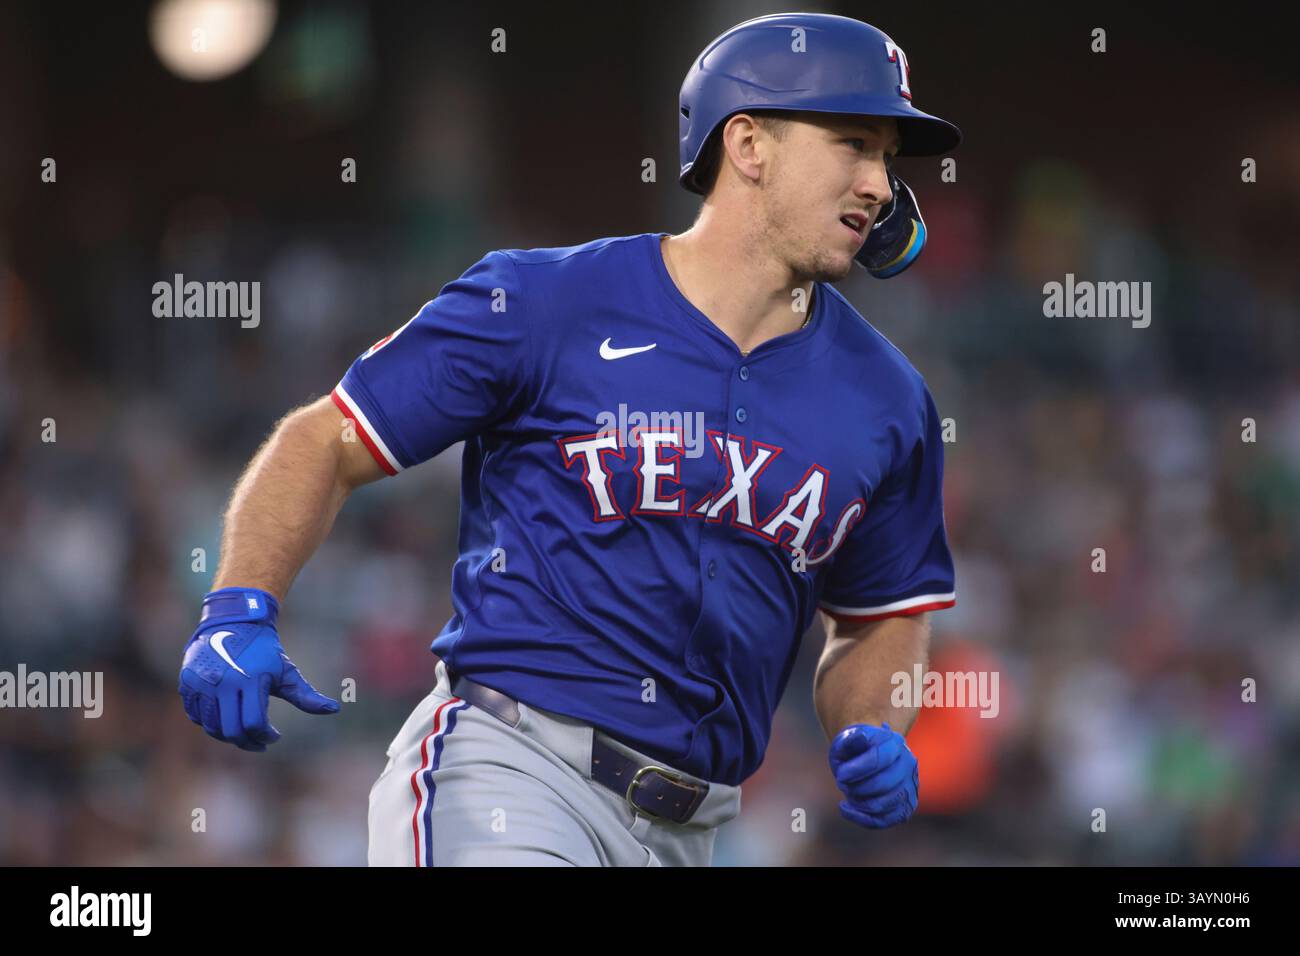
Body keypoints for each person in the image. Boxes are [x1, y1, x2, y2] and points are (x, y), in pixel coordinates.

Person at [178, 12, 960, 867]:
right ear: (748, 145)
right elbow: (327, 439)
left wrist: (874, 727)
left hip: (695, 833)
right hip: (511, 777)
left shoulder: (890, 399)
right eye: (854, 143)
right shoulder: (544, 302)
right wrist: (238, 604)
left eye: (887, 157)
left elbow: (880, 618)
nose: (882, 184)